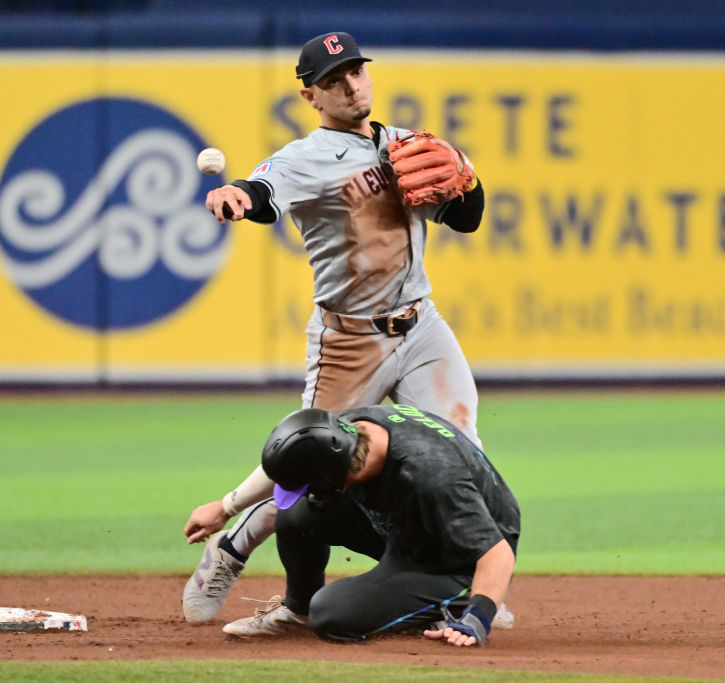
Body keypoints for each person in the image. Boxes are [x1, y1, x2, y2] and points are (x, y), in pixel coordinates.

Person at [183, 30, 500, 626]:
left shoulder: (407, 145)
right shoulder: (305, 157)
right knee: (306, 462)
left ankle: (467, 586)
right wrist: (236, 195)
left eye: (356, 71)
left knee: (462, 453)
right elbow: (262, 191)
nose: (350, 86)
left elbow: (467, 219)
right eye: (333, 80)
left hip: (422, 327)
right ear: (311, 96)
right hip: (350, 339)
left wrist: (470, 178)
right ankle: (231, 548)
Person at [220, 404, 519, 646]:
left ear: (328, 477)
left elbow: (498, 553)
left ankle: (452, 606)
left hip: (458, 560)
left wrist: (476, 620)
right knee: (295, 514)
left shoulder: (432, 477)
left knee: (331, 615)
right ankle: (298, 612)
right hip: (412, 528)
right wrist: (224, 507)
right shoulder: (347, 432)